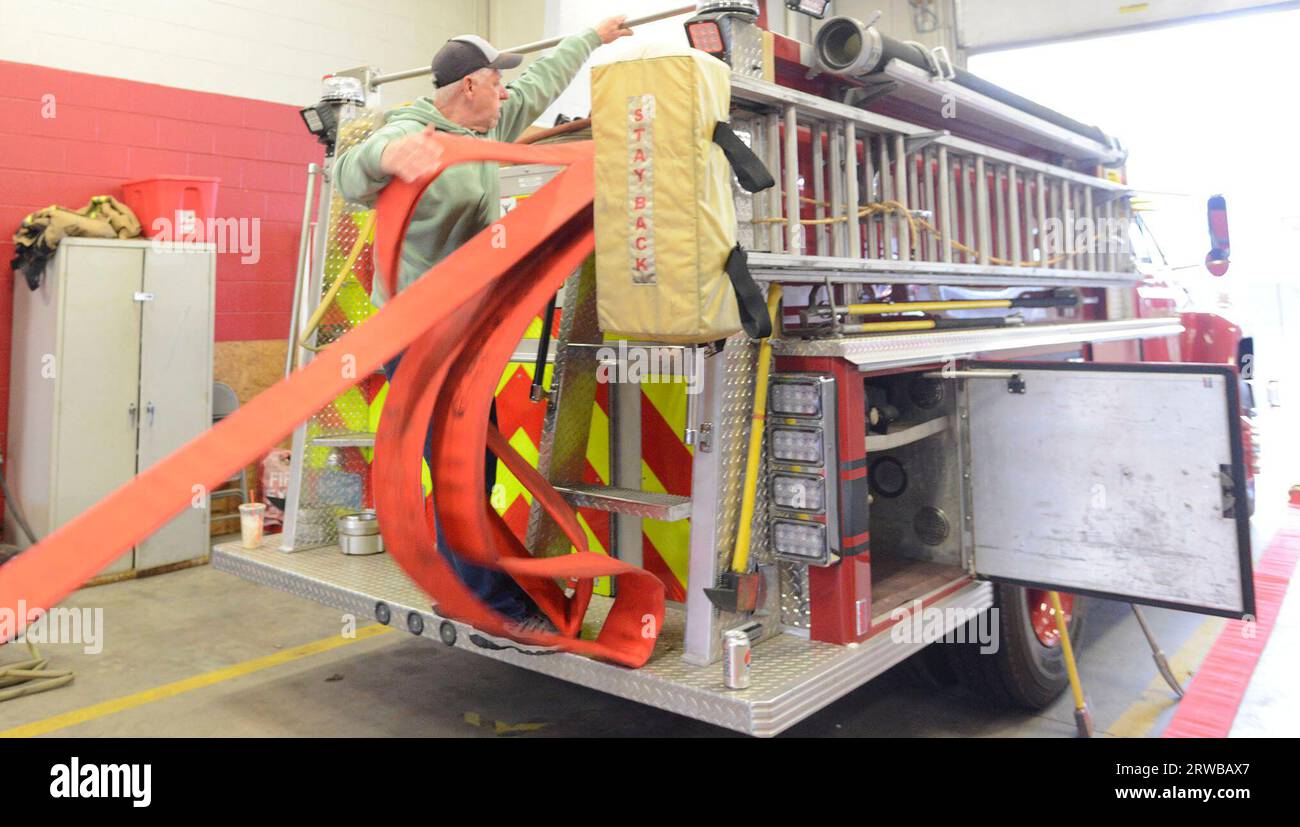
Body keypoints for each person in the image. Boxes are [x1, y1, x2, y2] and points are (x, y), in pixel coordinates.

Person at [334, 17, 633, 627]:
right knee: (456, 470)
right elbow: (351, 172)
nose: (506, 97)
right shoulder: (414, 131)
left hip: (464, 335)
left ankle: (467, 584)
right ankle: (485, 602)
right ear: (470, 86)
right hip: (419, 335)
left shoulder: (488, 122)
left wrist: (593, 37)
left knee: (475, 467)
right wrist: (387, 154)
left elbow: (543, 82)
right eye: (498, 85)